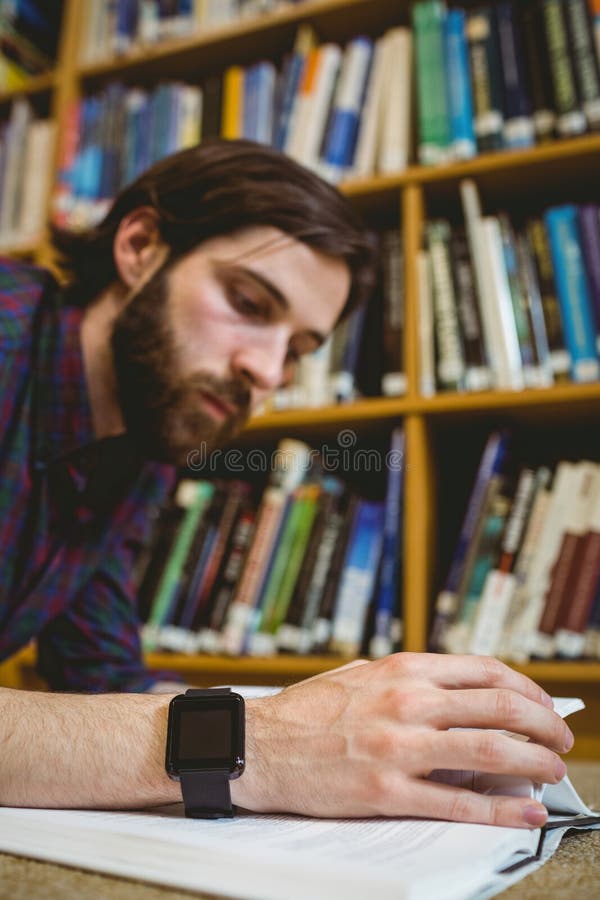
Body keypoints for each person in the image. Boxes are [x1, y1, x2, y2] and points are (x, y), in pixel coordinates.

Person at [0, 139, 572, 827]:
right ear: (141, 245)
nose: (268, 373)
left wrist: (348, 732)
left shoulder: (141, 442)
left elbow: (101, 679)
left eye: (299, 350)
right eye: (247, 301)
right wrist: (259, 743)